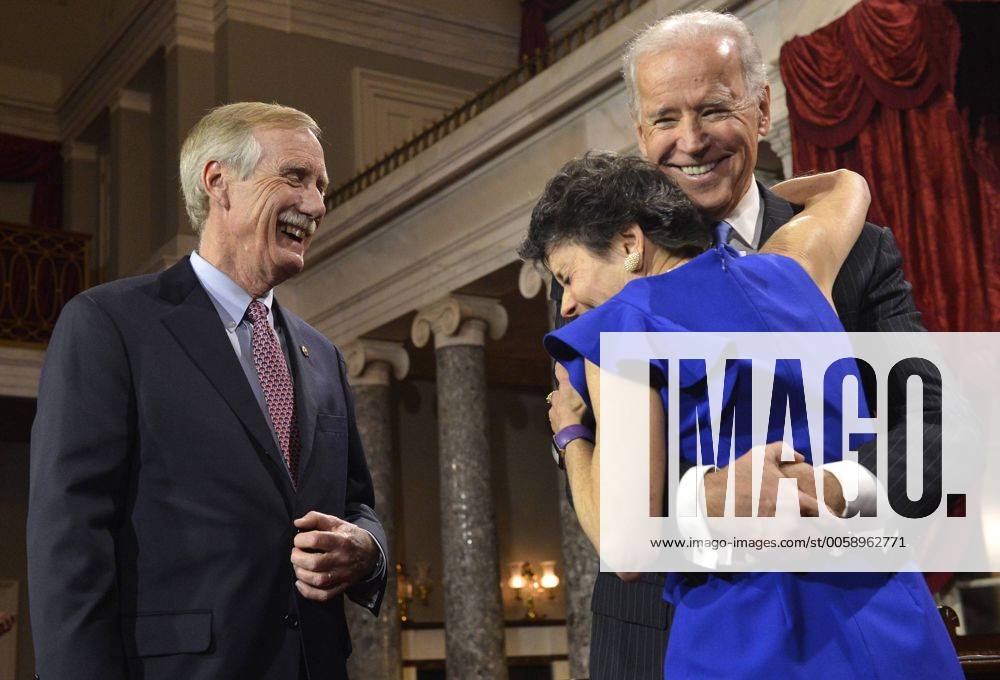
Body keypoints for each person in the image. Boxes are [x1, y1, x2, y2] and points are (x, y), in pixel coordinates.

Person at [546, 11, 941, 678]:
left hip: (852, 614)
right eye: (665, 118)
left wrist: (833, 488)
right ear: (641, 134)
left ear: (762, 110)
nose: (691, 140)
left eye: (713, 109)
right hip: (657, 638)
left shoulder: (856, 250)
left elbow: (934, 425)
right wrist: (702, 501)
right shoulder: (594, 275)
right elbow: (602, 495)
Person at [27, 103, 387, 680]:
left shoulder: (323, 356)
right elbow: (69, 539)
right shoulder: (110, 324)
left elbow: (357, 505)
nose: (318, 204)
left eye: (321, 186)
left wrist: (369, 551)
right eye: (296, 177)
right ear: (218, 182)